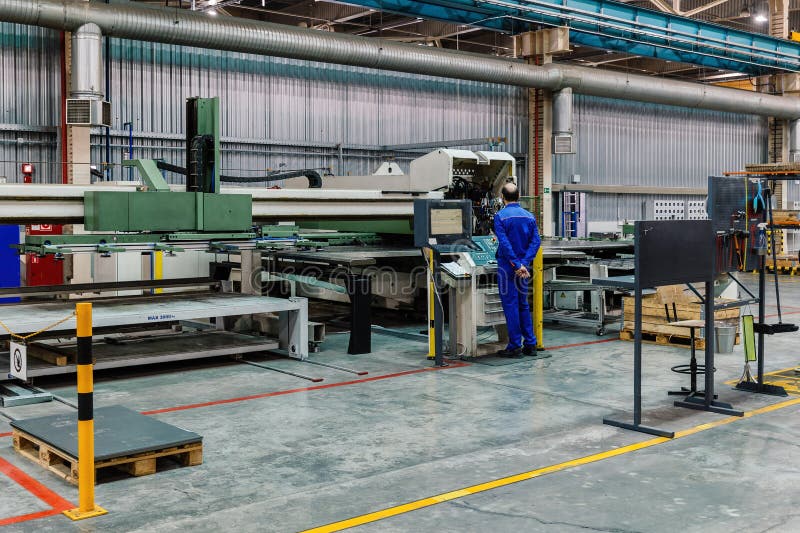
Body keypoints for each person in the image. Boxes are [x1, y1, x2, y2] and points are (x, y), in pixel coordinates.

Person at [493, 183, 541, 358]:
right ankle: (530, 344)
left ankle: (514, 346)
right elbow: (536, 241)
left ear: (502, 198)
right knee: (523, 304)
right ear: (519, 196)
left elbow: (505, 243)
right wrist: (524, 263)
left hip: (508, 267)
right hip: (523, 268)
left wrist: (516, 264)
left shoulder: (500, 217)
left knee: (511, 305)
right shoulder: (529, 216)